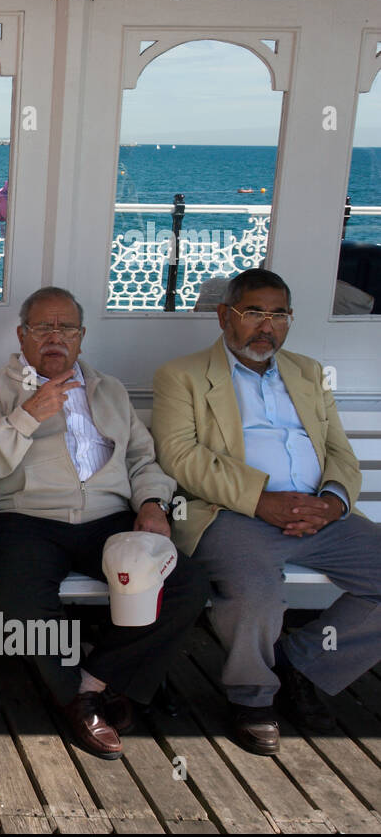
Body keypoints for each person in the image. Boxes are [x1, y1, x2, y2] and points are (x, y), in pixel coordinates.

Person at [0, 287, 210, 760]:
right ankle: (83, 697)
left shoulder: (107, 389)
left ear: (81, 336)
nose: (56, 337)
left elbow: (142, 459)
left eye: (66, 328)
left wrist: (153, 503)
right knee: (18, 587)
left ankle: (91, 685)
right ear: (22, 335)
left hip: (107, 519)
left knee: (186, 582)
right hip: (23, 518)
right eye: (43, 328)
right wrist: (27, 417)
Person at [152, 269, 381, 756]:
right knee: (257, 590)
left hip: (318, 513)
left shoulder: (309, 373)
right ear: (224, 316)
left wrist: (334, 502)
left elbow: (340, 451)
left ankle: (303, 663)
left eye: (279, 315)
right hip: (232, 514)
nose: (267, 326)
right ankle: (253, 698)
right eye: (254, 312)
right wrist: (261, 501)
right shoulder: (184, 376)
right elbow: (181, 457)